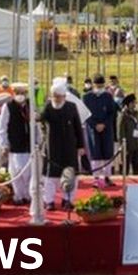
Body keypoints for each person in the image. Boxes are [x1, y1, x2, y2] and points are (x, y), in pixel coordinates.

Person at [40, 83, 85, 211]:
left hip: (70, 146)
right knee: (50, 176)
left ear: (64, 96)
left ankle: (68, 200)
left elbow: (78, 128)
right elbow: (41, 118)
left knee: (70, 175)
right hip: (52, 147)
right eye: (54, 96)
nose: (57, 99)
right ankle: (49, 201)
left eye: (59, 97)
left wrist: (80, 146)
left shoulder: (71, 107)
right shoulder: (48, 107)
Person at [0, 84, 33, 205]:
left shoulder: (30, 105)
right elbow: (2, 127)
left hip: (29, 144)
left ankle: (28, 195)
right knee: (16, 172)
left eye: (23, 92)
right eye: (18, 92)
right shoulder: (8, 106)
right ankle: (19, 195)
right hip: (15, 144)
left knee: (29, 172)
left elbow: (36, 125)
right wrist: (4, 144)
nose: (20, 95)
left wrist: (38, 140)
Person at [83, 74, 119, 187]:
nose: (99, 88)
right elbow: (85, 114)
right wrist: (95, 125)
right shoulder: (86, 97)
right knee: (95, 153)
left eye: (101, 85)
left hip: (106, 128)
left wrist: (104, 124)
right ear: (93, 85)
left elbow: (112, 112)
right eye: (97, 86)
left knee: (107, 152)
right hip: (92, 129)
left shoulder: (108, 96)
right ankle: (96, 178)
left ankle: (107, 177)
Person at [118, 94, 138, 176]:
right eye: (132, 103)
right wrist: (123, 145)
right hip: (127, 145)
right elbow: (120, 132)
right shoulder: (123, 116)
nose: (134, 105)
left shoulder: (136, 114)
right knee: (126, 168)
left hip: (136, 144)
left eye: (134, 103)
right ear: (127, 104)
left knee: (137, 166)